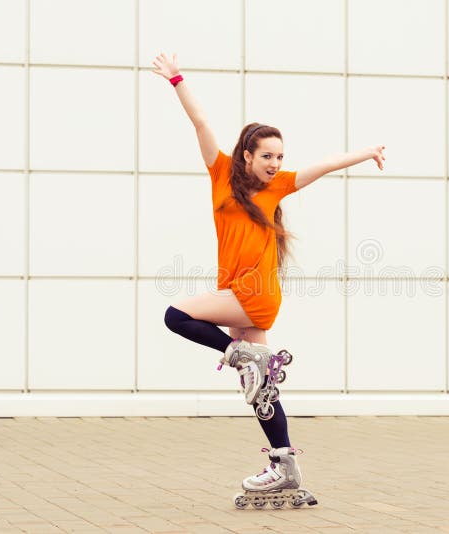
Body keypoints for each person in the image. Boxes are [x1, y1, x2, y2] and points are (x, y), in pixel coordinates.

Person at [151, 52, 385, 508]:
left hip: (253, 294)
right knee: (262, 389)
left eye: (280, 156)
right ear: (247, 155)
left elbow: (327, 164)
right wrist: (177, 79)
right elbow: (201, 123)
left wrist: (367, 153)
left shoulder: (279, 186)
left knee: (175, 315)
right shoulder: (221, 173)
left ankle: (237, 354)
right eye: (267, 156)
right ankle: (285, 465)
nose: (276, 163)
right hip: (239, 294)